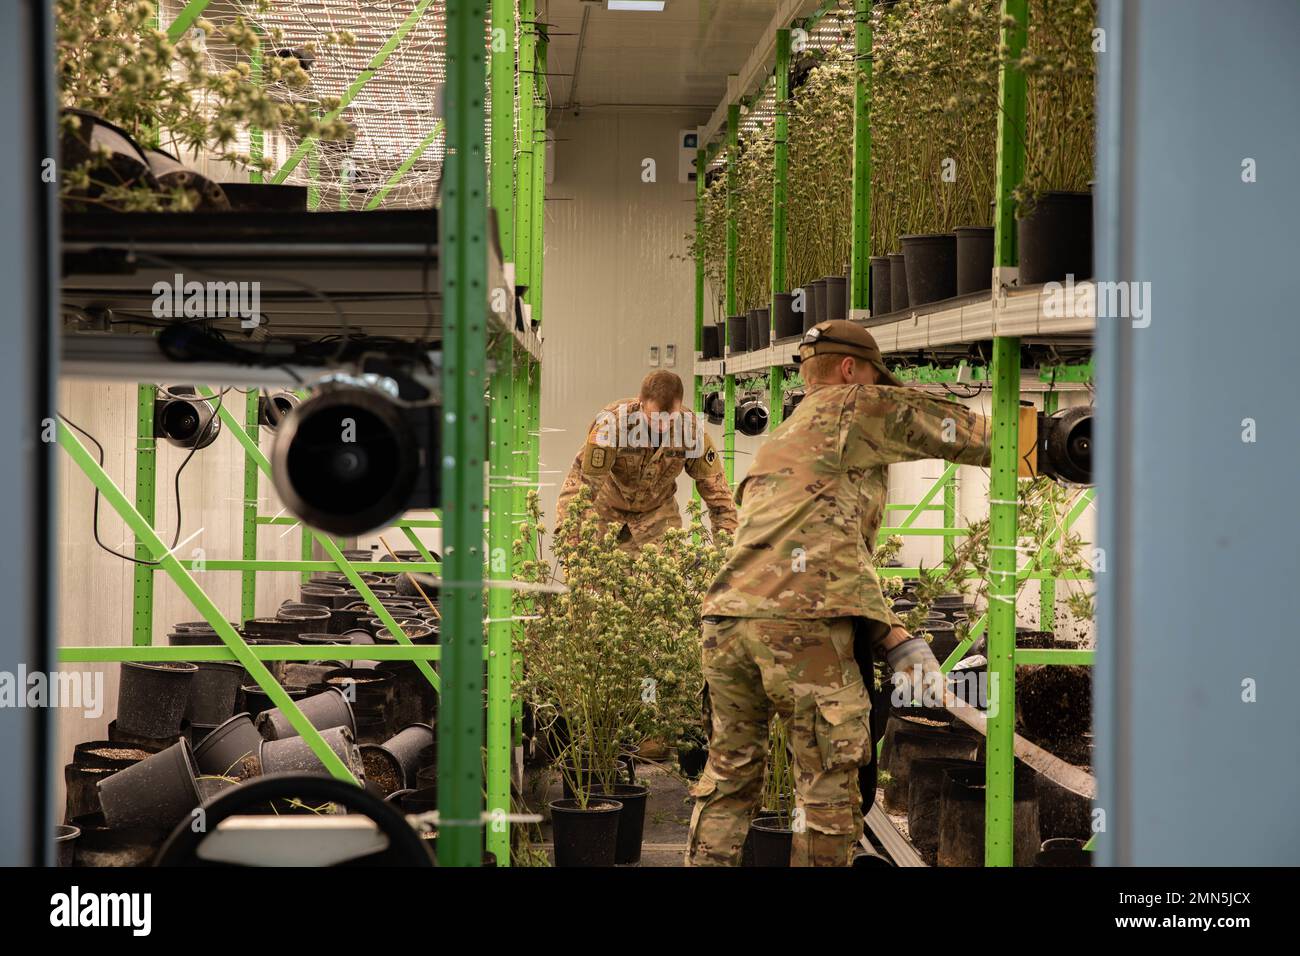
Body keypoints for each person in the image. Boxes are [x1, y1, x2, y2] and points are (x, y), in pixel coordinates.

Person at [685, 320, 994, 867]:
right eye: (876, 375)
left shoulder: (783, 438)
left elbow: (817, 548)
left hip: (727, 623)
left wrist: (890, 633)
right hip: (801, 632)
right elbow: (954, 430)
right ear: (851, 370)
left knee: (728, 780)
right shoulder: (851, 404)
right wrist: (1050, 442)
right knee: (826, 789)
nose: (879, 386)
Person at [555, 370, 737, 548]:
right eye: (654, 419)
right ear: (640, 404)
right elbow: (579, 487)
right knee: (600, 574)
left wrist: (728, 552)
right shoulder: (613, 425)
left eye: (670, 419)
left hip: (658, 520)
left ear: (679, 407)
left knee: (666, 577)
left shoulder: (690, 431)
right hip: (608, 514)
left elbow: (719, 496)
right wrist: (572, 544)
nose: (662, 426)